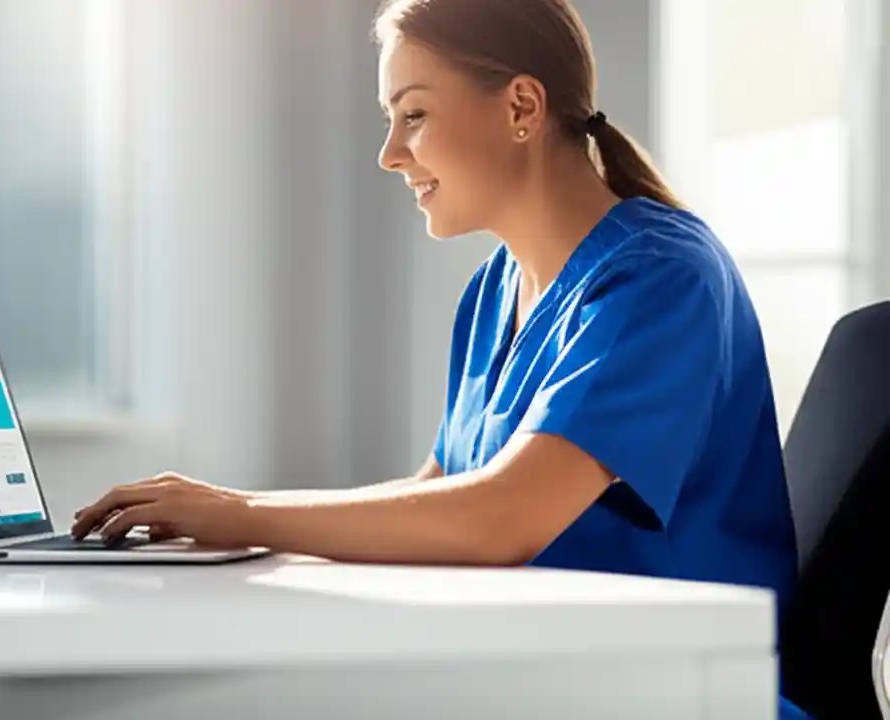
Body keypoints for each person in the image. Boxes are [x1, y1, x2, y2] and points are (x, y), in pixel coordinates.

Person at [74, 0, 798, 645]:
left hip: (686, 684)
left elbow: (499, 519)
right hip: (551, 666)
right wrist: (232, 529)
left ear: (521, 107)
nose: (389, 154)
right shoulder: (492, 293)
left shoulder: (661, 278)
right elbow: (437, 495)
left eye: (413, 114)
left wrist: (242, 514)